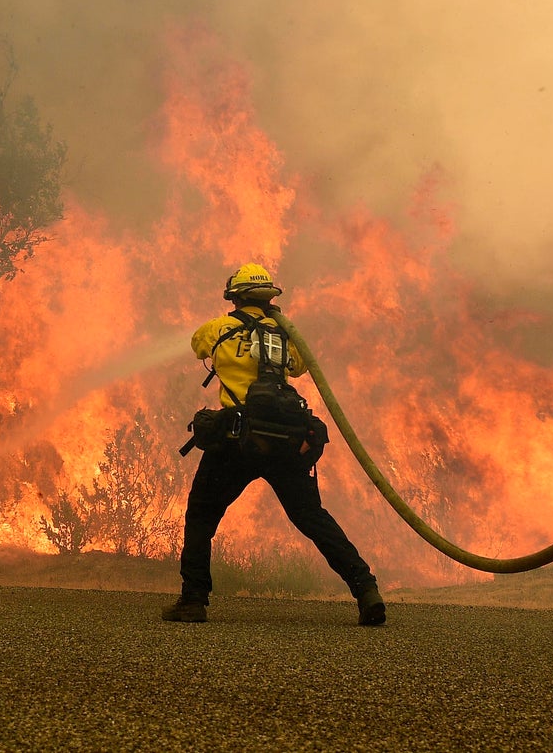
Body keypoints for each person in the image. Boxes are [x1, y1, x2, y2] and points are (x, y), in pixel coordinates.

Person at [162, 263, 386, 626]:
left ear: (234, 298)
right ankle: (367, 590)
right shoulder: (284, 336)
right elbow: (300, 367)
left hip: (234, 442)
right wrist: (275, 326)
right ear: (269, 299)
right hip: (283, 441)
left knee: (202, 516)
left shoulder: (217, 329)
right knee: (312, 518)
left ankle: (193, 601)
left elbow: (197, 346)